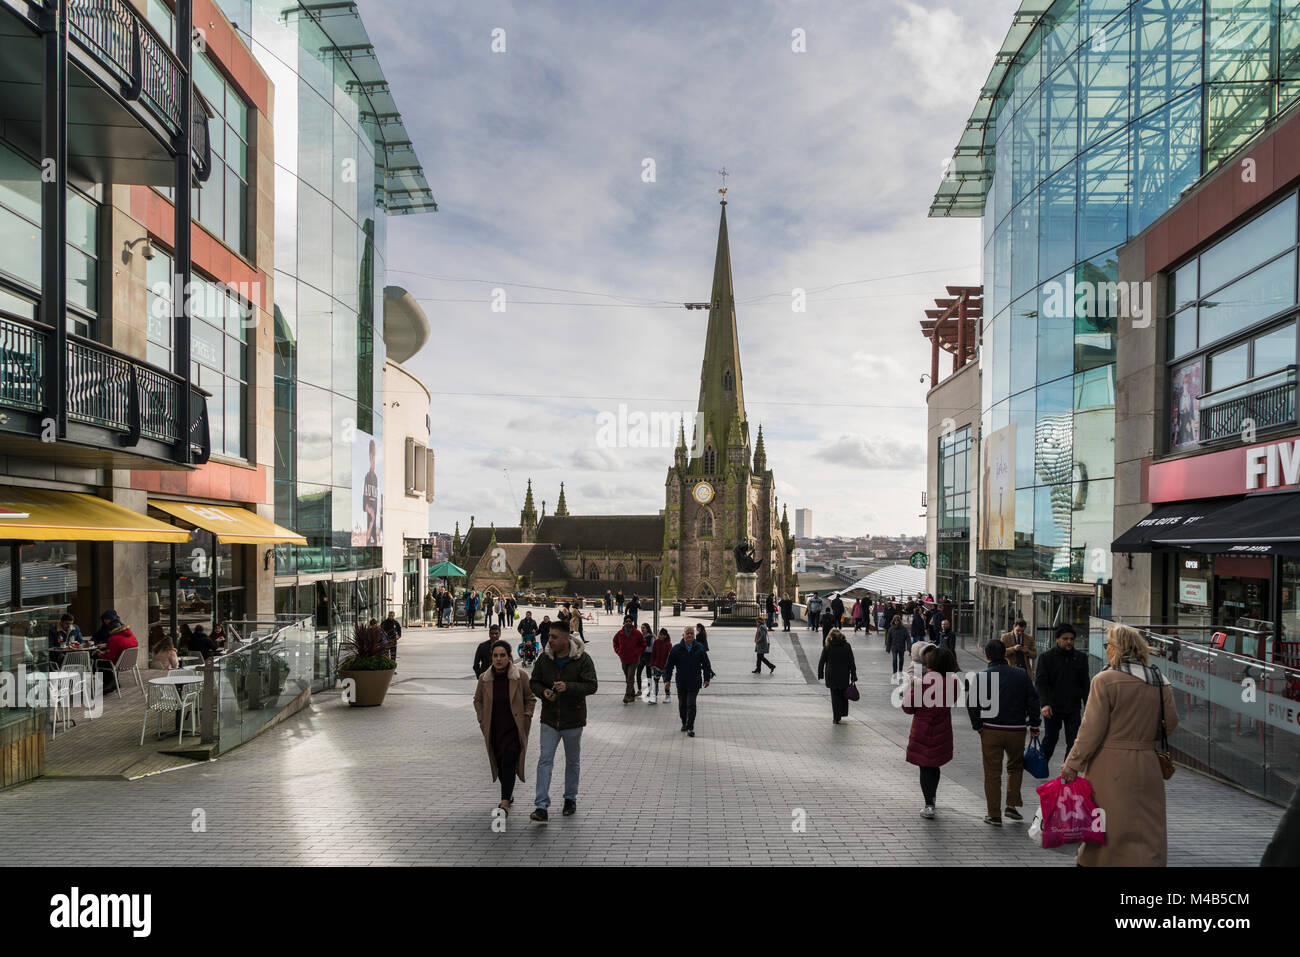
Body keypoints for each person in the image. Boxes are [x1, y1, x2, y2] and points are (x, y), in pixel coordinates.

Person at [1060, 624, 1177, 866]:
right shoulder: (1158, 680)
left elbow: (1091, 729)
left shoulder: (1105, 680)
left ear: (1116, 649)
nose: (1107, 650)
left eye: (1108, 646)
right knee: (1146, 824)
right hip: (1147, 762)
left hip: (1109, 763)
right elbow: (1170, 724)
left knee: (1107, 824)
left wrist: (1072, 763)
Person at [529, 620, 598, 822]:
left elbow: (592, 686)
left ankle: (570, 798)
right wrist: (543, 692)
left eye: (554, 637)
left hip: (573, 719)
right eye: (549, 636)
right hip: (549, 719)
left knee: (572, 761)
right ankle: (541, 806)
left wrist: (568, 687)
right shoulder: (544, 659)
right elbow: (534, 681)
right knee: (545, 761)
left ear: (567, 638)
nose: (549, 640)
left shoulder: (582, 659)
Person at [967, 638, 1041, 826]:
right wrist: (1034, 725)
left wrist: (978, 725)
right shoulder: (1021, 675)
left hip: (991, 729)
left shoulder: (982, 677)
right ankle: (1012, 805)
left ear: (987, 656)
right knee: (1015, 767)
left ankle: (994, 814)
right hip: (1017, 730)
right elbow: (1033, 701)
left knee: (992, 772)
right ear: (1005, 654)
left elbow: (972, 703)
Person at [474, 639, 536, 814]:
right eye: (495, 656)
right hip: (494, 729)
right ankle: (508, 794)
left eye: (502, 655)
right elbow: (477, 700)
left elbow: (530, 698)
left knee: (509, 761)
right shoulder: (484, 679)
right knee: (500, 764)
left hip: (514, 729)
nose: (499, 659)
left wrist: (526, 716)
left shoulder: (520, 676)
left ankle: (504, 802)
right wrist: (482, 719)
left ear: (509, 657)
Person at [903, 645, 959, 819]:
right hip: (942, 727)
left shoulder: (924, 681)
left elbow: (908, 706)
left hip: (923, 728)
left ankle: (928, 804)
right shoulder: (953, 682)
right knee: (934, 765)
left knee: (925, 767)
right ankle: (932, 798)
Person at [1034, 623, 1090, 763]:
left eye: (1071, 639)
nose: (1069, 642)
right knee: (1051, 739)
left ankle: (1068, 771)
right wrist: (1045, 704)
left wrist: (1089, 705)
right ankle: (1041, 764)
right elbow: (1041, 683)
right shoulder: (1046, 658)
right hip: (1053, 707)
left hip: (1073, 707)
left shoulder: (1081, 658)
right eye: (1065, 639)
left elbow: (1085, 684)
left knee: (1073, 742)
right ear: (1057, 639)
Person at [663, 626, 713, 737]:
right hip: (681, 682)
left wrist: (707, 679)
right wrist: (667, 680)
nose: (689, 635)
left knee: (691, 704)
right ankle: (684, 723)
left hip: (694, 681)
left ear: (694, 635)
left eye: (691, 633)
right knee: (682, 705)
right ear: (683, 635)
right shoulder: (676, 649)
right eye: (687, 633)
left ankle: (690, 727)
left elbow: (706, 665)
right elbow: (669, 666)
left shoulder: (699, 648)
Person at [817, 628, 857, 724]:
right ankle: (842, 713)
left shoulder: (828, 646)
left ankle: (836, 716)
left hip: (831, 675)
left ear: (830, 636)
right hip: (844, 675)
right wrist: (853, 674)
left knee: (835, 696)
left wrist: (820, 673)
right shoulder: (847, 646)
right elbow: (851, 661)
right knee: (843, 694)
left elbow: (822, 661)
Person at [95, 614, 139, 693]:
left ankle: (109, 683)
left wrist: (100, 653)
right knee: (103, 661)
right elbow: (122, 646)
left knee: (98, 661)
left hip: (118, 664)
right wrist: (107, 646)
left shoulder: (113, 638)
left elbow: (110, 656)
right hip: (131, 663)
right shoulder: (131, 635)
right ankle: (112, 682)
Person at [612, 615, 646, 704]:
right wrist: (618, 651)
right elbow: (615, 642)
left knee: (630, 677)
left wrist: (637, 652)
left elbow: (643, 645)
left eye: (630, 621)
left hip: (634, 659)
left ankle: (627, 695)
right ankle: (632, 694)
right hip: (623, 659)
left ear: (632, 622)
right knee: (628, 678)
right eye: (626, 621)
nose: (628, 623)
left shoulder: (637, 633)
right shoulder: (620, 633)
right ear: (624, 622)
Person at [649, 627, 672, 703]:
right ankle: (654, 697)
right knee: (655, 682)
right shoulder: (656, 642)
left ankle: (668, 696)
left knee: (666, 682)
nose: (659, 636)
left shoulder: (669, 644)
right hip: (656, 666)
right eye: (659, 635)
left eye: (661, 635)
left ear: (665, 636)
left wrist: (668, 666)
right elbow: (653, 654)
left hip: (665, 667)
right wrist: (652, 664)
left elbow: (670, 657)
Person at [636, 622, 654, 697]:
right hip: (641, 658)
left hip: (648, 658)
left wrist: (642, 648)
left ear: (647, 629)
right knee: (638, 674)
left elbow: (651, 648)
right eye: (641, 628)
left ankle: (650, 691)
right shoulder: (640, 636)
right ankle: (639, 690)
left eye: (644, 628)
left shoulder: (651, 637)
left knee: (648, 675)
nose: (642, 629)